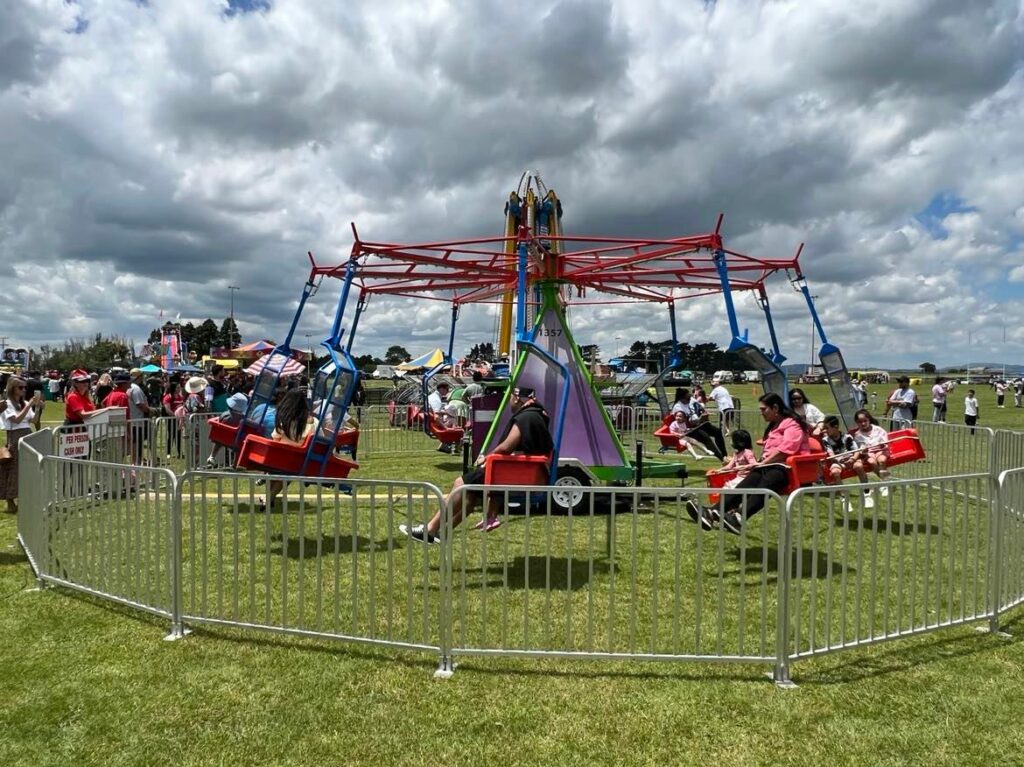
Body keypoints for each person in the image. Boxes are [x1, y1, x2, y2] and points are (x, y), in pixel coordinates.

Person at [401, 386, 553, 543]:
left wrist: (488, 457)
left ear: (517, 398)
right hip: (523, 471)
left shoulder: (526, 417)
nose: (510, 404)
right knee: (470, 496)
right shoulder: (538, 415)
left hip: (511, 471)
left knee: (460, 484)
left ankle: (429, 530)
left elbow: (507, 446)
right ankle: (443, 533)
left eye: (511, 400)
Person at [688, 392, 813, 535]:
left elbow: (786, 450)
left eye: (763, 409)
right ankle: (713, 511)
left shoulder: (793, 425)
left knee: (765, 483)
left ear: (775, 408)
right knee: (747, 483)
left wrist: (761, 463)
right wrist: (760, 464)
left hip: (787, 469)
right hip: (769, 466)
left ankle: (738, 516)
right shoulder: (774, 426)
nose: (761, 413)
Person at [1, 377, 41, 514]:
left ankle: (23, 499)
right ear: (12, 388)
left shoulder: (24, 403)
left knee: (26, 469)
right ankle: (10, 502)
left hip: (27, 435)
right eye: (20, 387)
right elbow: (16, 420)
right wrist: (30, 404)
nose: (24, 390)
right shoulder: (6, 404)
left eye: (25, 387)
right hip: (15, 436)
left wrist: (38, 408)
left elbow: (34, 420)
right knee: (13, 470)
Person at [820, 415, 867, 507]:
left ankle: (866, 491)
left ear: (836, 427)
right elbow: (831, 454)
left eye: (827, 428)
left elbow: (856, 450)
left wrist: (852, 459)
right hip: (838, 462)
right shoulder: (825, 440)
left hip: (851, 460)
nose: (825, 430)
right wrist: (839, 461)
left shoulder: (847, 437)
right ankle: (844, 497)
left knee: (859, 466)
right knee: (835, 472)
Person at [670, 388, 727, 461]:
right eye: (688, 397)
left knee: (717, 431)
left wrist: (704, 413)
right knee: (706, 437)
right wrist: (699, 420)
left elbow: (700, 406)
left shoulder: (691, 400)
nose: (690, 398)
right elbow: (684, 423)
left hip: (699, 424)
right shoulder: (678, 407)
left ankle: (725, 455)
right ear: (682, 398)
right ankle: (722, 459)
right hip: (689, 430)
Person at [851, 409, 890, 508]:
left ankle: (884, 484)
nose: (863, 423)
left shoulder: (878, 429)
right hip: (869, 452)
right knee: (872, 461)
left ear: (869, 420)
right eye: (860, 422)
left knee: (881, 460)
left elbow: (885, 442)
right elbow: (860, 448)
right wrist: (863, 450)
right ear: (857, 423)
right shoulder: (857, 435)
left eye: (865, 421)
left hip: (880, 450)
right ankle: (885, 480)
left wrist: (883, 445)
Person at [127, 368, 153, 464]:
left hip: (133, 419)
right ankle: (137, 461)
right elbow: (140, 404)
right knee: (137, 443)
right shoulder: (136, 388)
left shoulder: (129, 387)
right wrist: (150, 410)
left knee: (135, 442)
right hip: (137, 420)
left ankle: (137, 460)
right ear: (140, 377)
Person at [163, 378, 185, 460]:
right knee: (171, 436)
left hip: (179, 419)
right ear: (173, 388)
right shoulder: (168, 397)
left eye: (180, 387)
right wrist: (175, 416)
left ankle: (180, 453)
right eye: (177, 387)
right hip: (171, 419)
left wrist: (181, 418)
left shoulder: (180, 397)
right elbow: (167, 409)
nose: (179, 389)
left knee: (179, 436)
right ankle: (168, 453)